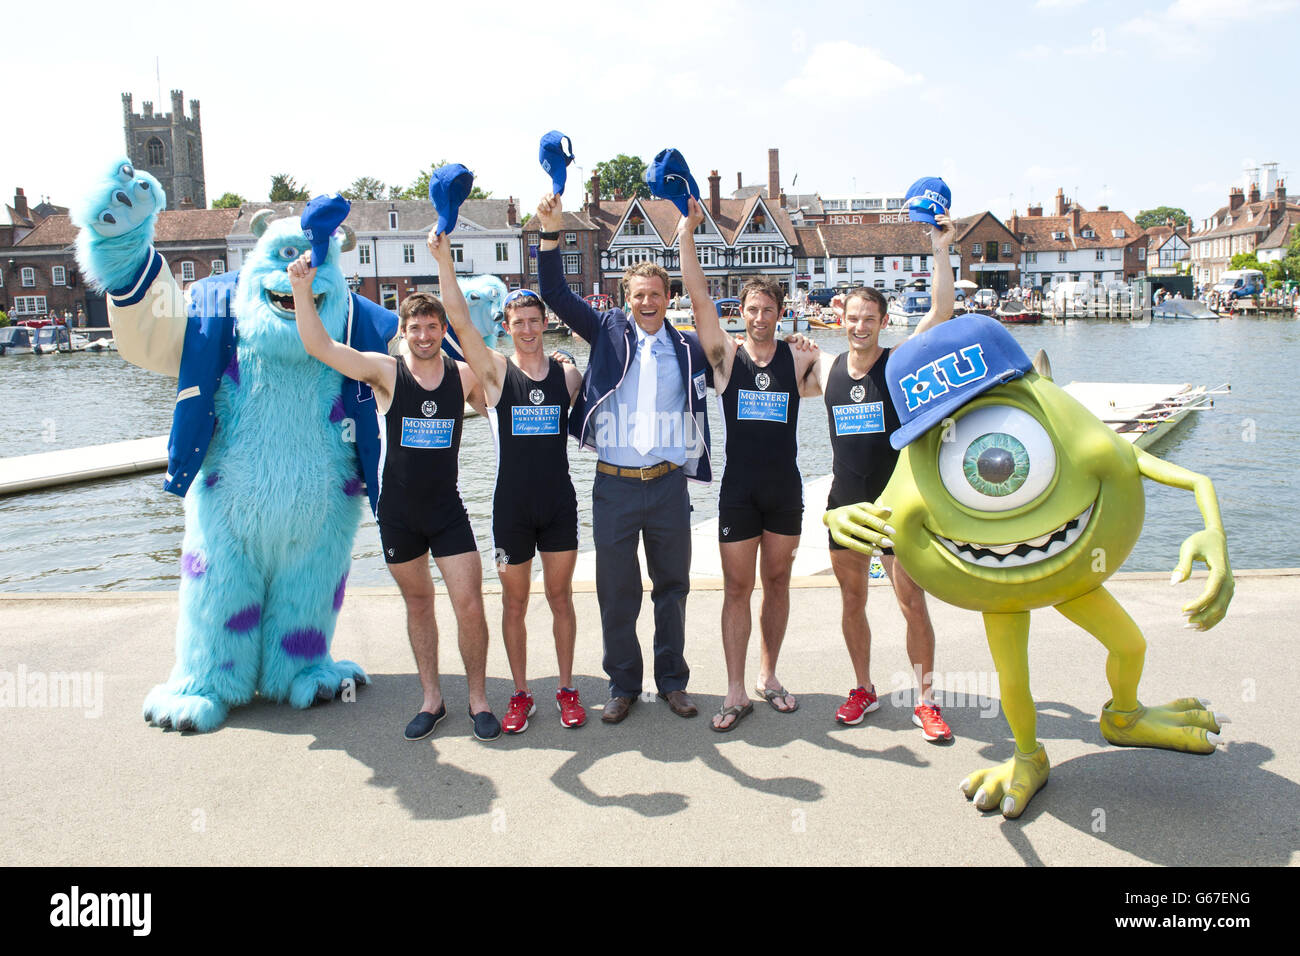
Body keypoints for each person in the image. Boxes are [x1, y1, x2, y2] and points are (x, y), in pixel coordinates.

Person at [288, 253, 501, 742]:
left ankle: (478, 699)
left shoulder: (463, 376)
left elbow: (501, 402)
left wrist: (561, 371)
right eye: (415, 328)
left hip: (448, 512)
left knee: (469, 604)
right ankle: (431, 700)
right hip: (398, 514)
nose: (424, 336)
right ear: (402, 331)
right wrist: (302, 291)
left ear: (443, 328)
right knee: (420, 604)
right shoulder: (384, 373)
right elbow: (318, 345)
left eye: (432, 326)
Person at [534, 191, 712, 725]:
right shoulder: (606, 331)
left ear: (667, 295)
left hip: (666, 485)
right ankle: (623, 684)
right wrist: (549, 231)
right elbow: (555, 292)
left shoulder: (687, 349)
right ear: (625, 297)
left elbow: (733, 351)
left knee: (672, 588)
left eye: (656, 294)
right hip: (612, 485)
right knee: (616, 592)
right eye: (638, 295)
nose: (648, 302)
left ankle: (673, 683)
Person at [426, 230, 587, 732]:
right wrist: (443, 263)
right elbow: (457, 320)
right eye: (518, 323)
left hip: (558, 503)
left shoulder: (568, 376)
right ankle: (520, 693)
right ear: (507, 325)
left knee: (561, 598)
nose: (527, 330)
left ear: (546, 323)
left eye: (535, 321)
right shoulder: (494, 374)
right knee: (514, 602)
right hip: (511, 509)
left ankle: (565, 688)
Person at [676, 196, 820, 731]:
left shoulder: (800, 359)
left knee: (778, 582)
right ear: (742, 313)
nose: (759, 318)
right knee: (737, 588)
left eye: (769, 310)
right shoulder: (726, 358)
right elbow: (697, 297)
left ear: (781, 314)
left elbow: (858, 382)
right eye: (751, 310)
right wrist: (688, 233)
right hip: (739, 491)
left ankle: (769, 675)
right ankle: (734, 691)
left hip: (785, 489)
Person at [815, 214, 959, 742]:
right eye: (852, 317)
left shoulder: (898, 365)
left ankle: (925, 700)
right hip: (847, 507)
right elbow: (762, 364)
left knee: (911, 602)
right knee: (853, 602)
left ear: (881, 320)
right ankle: (863, 690)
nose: (860, 326)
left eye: (869, 318)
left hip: (898, 506)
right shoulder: (824, 368)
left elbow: (942, 312)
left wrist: (941, 249)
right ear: (841, 319)